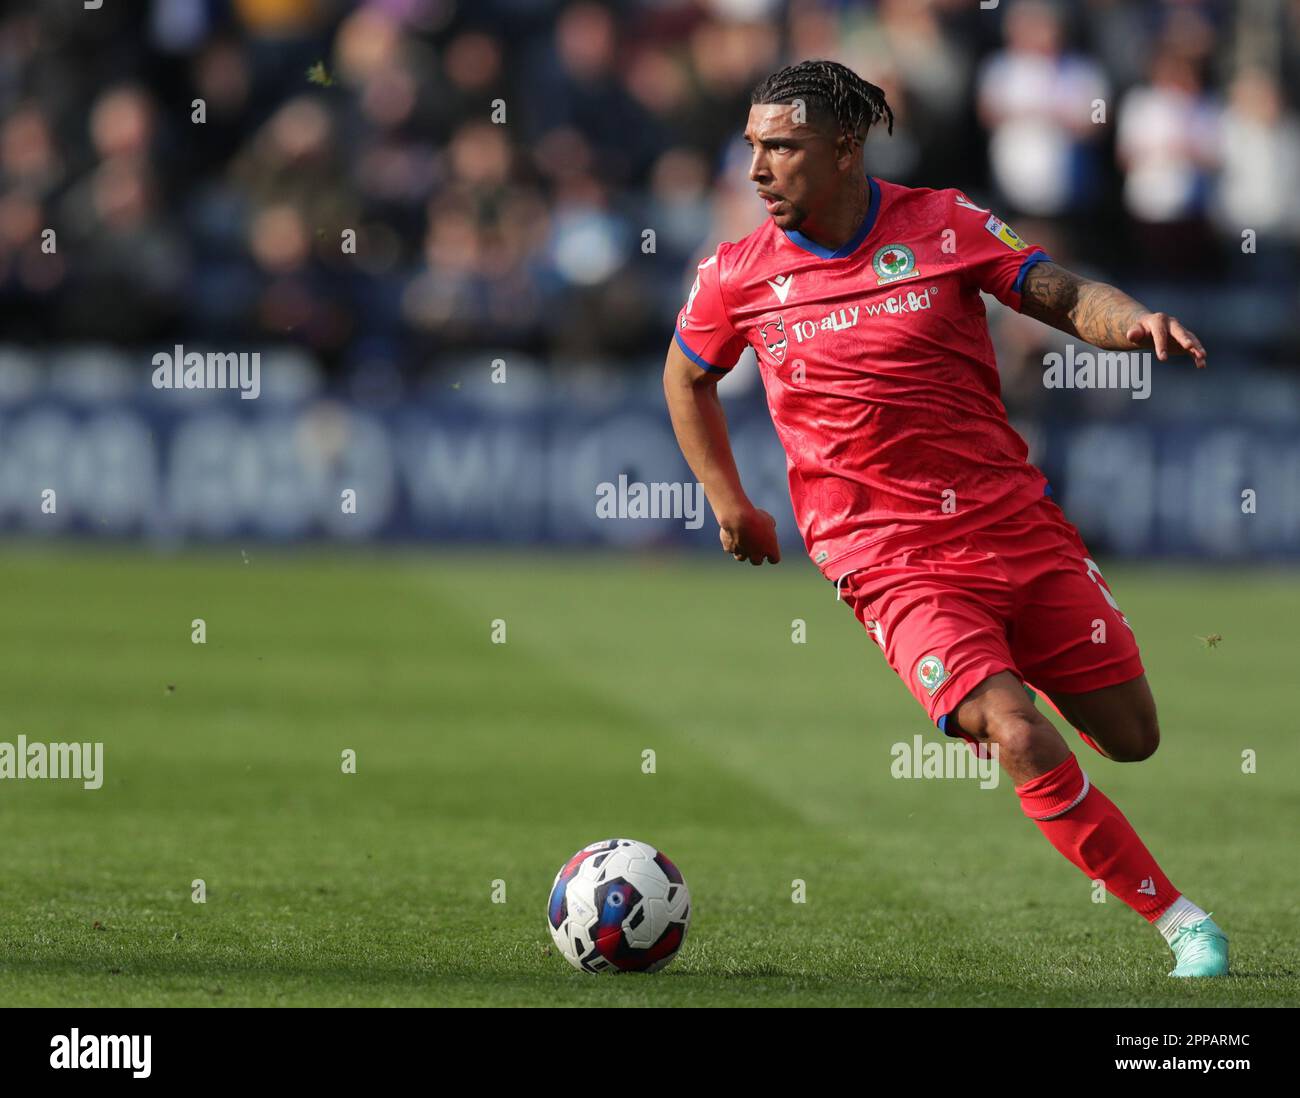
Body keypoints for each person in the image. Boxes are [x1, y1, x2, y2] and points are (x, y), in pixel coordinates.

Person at [662, 59, 1225, 977]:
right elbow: (686, 378)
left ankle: (1055, 741)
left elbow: (1061, 291)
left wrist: (1132, 323)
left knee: (1133, 738)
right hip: (887, 559)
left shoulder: (945, 224)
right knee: (1015, 729)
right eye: (753, 148)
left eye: (782, 148)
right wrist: (730, 502)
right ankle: (1180, 921)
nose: (758, 169)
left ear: (845, 150)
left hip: (1015, 525)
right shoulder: (736, 274)